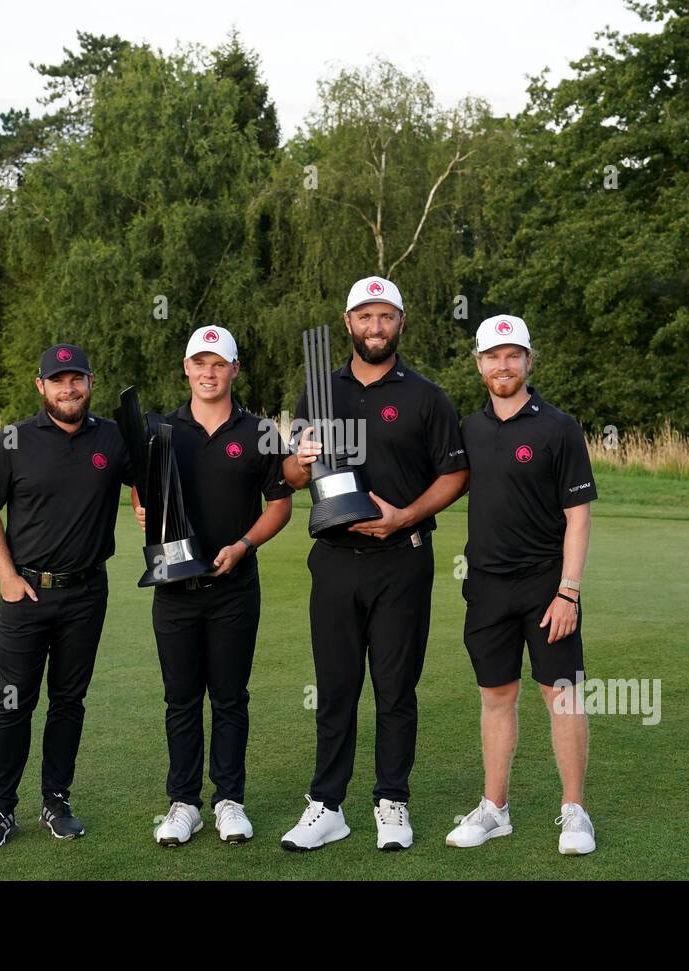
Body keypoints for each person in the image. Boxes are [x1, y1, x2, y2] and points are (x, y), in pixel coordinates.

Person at [280, 276, 469, 852]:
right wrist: (297, 459)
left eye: (386, 316)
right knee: (336, 688)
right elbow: (289, 476)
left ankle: (392, 802)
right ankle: (327, 805)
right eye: (365, 316)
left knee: (395, 688)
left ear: (400, 323)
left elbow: (456, 474)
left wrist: (405, 515)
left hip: (401, 560)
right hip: (334, 560)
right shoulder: (319, 390)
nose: (375, 326)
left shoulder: (426, 396)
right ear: (349, 323)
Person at [0, 343, 134, 850]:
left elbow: (146, 482)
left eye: (77, 378)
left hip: (87, 592)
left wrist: (146, 503)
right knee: (13, 703)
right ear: (41, 386)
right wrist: (6, 575)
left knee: (69, 702)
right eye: (58, 380)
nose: (69, 388)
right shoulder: (13, 440)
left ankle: (56, 800)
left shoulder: (113, 435)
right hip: (26, 594)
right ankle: (0, 808)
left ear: (89, 382)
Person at [444, 315, 598, 855]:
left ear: (528, 361)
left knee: (562, 696)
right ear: (479, 364)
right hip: (485, 587)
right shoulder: (468, 429)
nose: (503, 365)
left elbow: (578, 516)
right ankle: (495, 809)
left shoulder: (558, 426)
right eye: (493, 356)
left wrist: (569, 590)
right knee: (495, 696)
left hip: (545, 586)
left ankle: (574, 811)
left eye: (513, 355)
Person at [133, 326, 293, 846]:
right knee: (180, 699)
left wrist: (244, 544)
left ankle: (229, 801)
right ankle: (183, 804)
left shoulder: (260, 432)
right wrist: (142, 509)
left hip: (235, 587)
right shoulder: (160, 429)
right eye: (200, 363)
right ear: (186, 369)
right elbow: (141, 489)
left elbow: (280, 505)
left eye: (219, 363)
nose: (209, 372)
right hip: (174, 590)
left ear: (234, 370)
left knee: (229, 698)